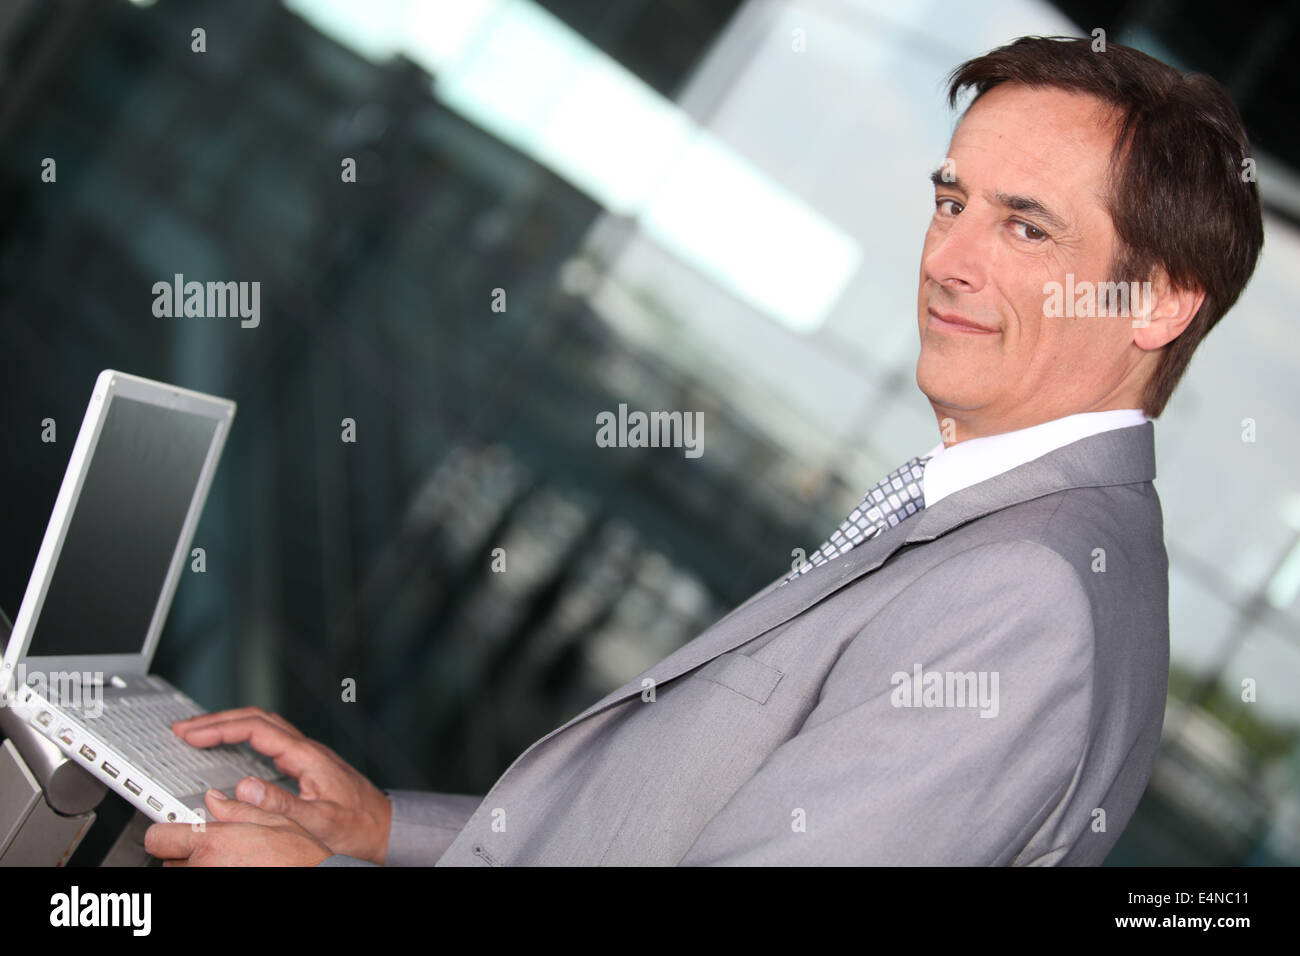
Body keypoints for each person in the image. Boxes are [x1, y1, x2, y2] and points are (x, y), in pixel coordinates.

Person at [143, 35, 1264, 866]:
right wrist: (390, 830)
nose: (948, 260)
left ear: (1159, 301)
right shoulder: (1002, 534)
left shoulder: (1028, 595)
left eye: (1025, 227)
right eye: (950, 201)